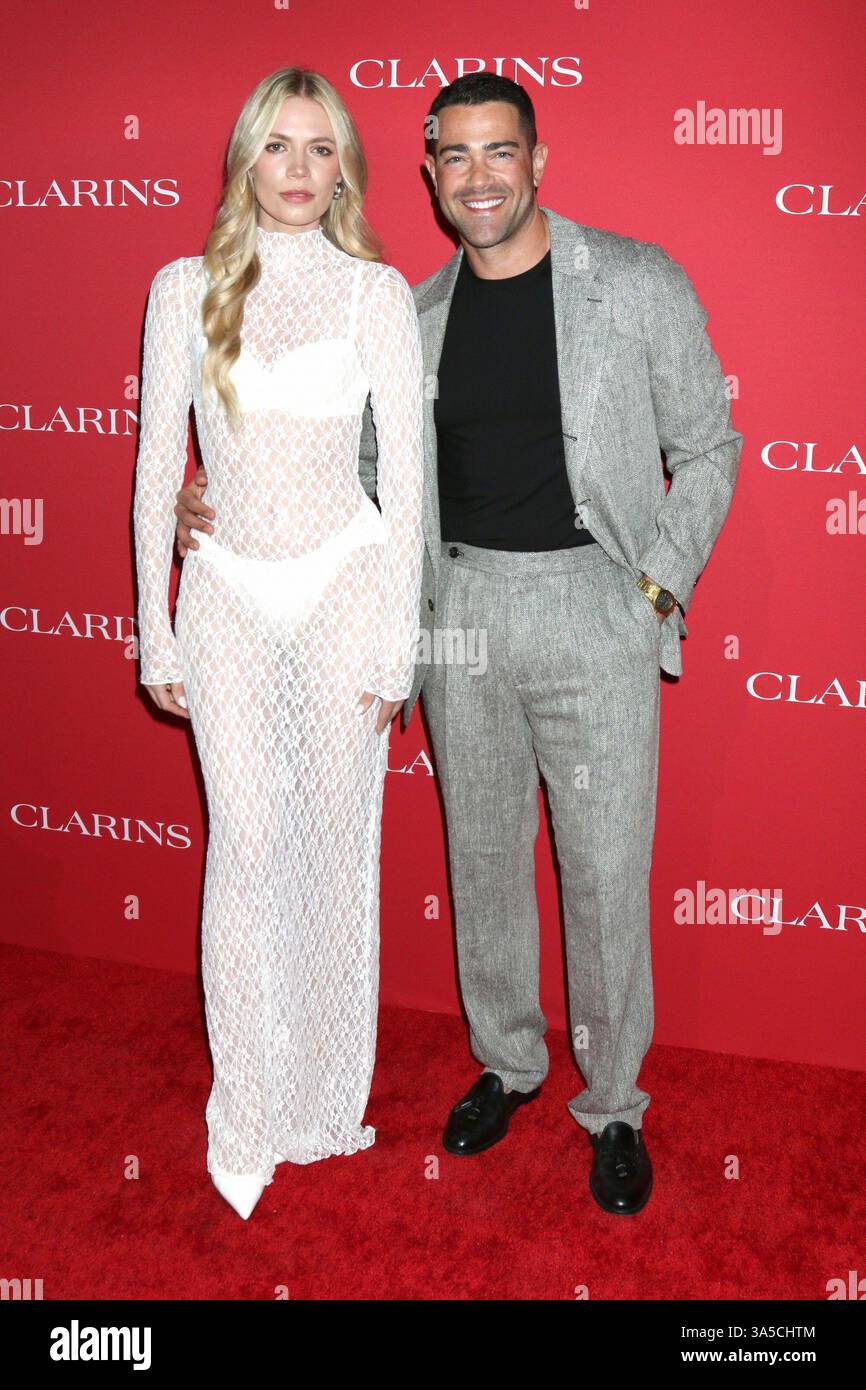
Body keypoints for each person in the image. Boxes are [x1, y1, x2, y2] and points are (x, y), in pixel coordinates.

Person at [174, 73, 742, 1217]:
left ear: (537, 160)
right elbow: (365, 477)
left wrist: (653, 593)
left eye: (500, 153)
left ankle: (614, 1102)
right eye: (456, 158)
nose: (478, 177)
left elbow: (710, 444)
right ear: (429, 176)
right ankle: (508, 1063)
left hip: (594, 607)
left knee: (601, 874)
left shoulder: (631, 282)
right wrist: (219, 495)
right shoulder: (412, 312)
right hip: (458, 615)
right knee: (479, 864)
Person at [132, 67, 424, 1221]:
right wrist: (151, 625)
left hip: (347, 587)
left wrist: (395, 645)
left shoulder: (376, 293)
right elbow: (161, 464)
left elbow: (406, 482)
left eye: (320, 149)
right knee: (246, 845)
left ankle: (316, 1096)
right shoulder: (179, 288)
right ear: (244, 162)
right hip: (228, 598)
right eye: (277, 147)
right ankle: (246, 1100)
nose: (299, 171)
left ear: (343, 165)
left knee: (330, 845)